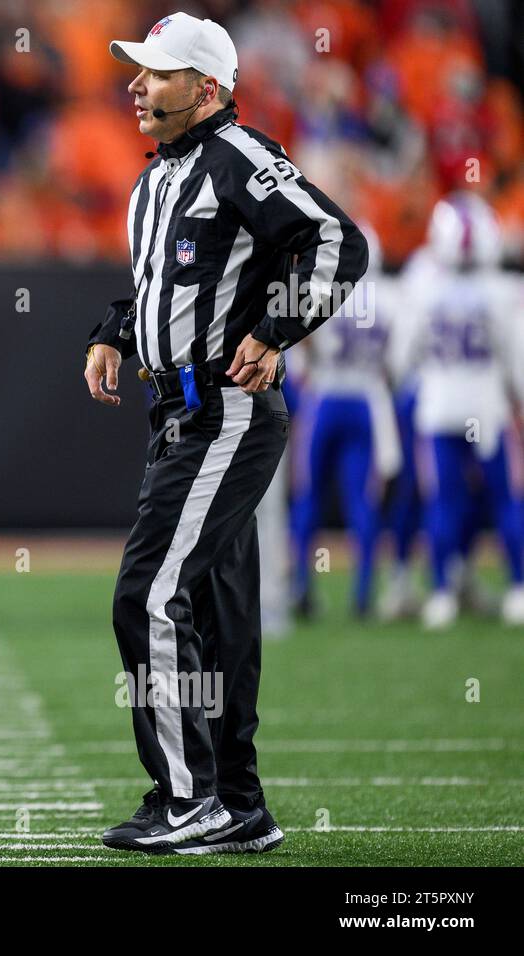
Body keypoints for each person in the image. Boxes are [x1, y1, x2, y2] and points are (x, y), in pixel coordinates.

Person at [83, 12, 367, 854]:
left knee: (148, 594)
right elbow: (155, 283)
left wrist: (275, 331)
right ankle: (239, 801)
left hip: (224, 412)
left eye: (157, 73)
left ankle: (184, 801)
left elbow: (333, 241)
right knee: (216, 613)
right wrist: (112, 330)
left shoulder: (237, 155)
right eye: (137, 71)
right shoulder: (155, 179)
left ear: (207, 87)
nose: (137, 85)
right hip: (178, 413)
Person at [392, 193, 524, 629]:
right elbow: (516, 362)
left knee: (443, 502)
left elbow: (402, 359)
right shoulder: (504, 291)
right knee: (504, 499)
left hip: (440, 405)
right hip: (486, 407)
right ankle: (518, 588)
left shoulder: (423, 286)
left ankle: (444, 592)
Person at [288, 225, 400, 618]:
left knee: (307, 495)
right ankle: (363, 594)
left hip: (324, 399)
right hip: (367, 400)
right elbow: (397, 366)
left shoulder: (325, 291)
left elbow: (301, 357)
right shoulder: (390, 298)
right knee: (363, 501)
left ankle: (302, 587)